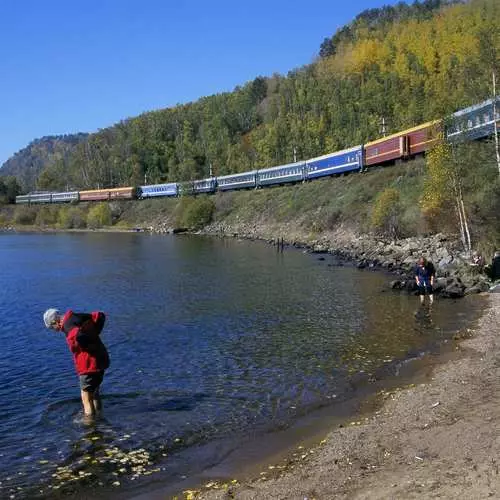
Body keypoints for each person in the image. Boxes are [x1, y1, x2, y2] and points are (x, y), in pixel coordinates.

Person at [43, 308, 110, 419]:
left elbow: (78, 336)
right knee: (95, 393)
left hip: (89, 365)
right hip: (101, 358)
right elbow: (100, 316)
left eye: (53, 328)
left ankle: (90, 427)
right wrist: (94, 336)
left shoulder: (68, 326)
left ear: (55, 322)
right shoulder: (77, 317)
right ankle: (99, 417)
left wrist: (88, 347)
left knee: (86, 397)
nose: (56, 331)